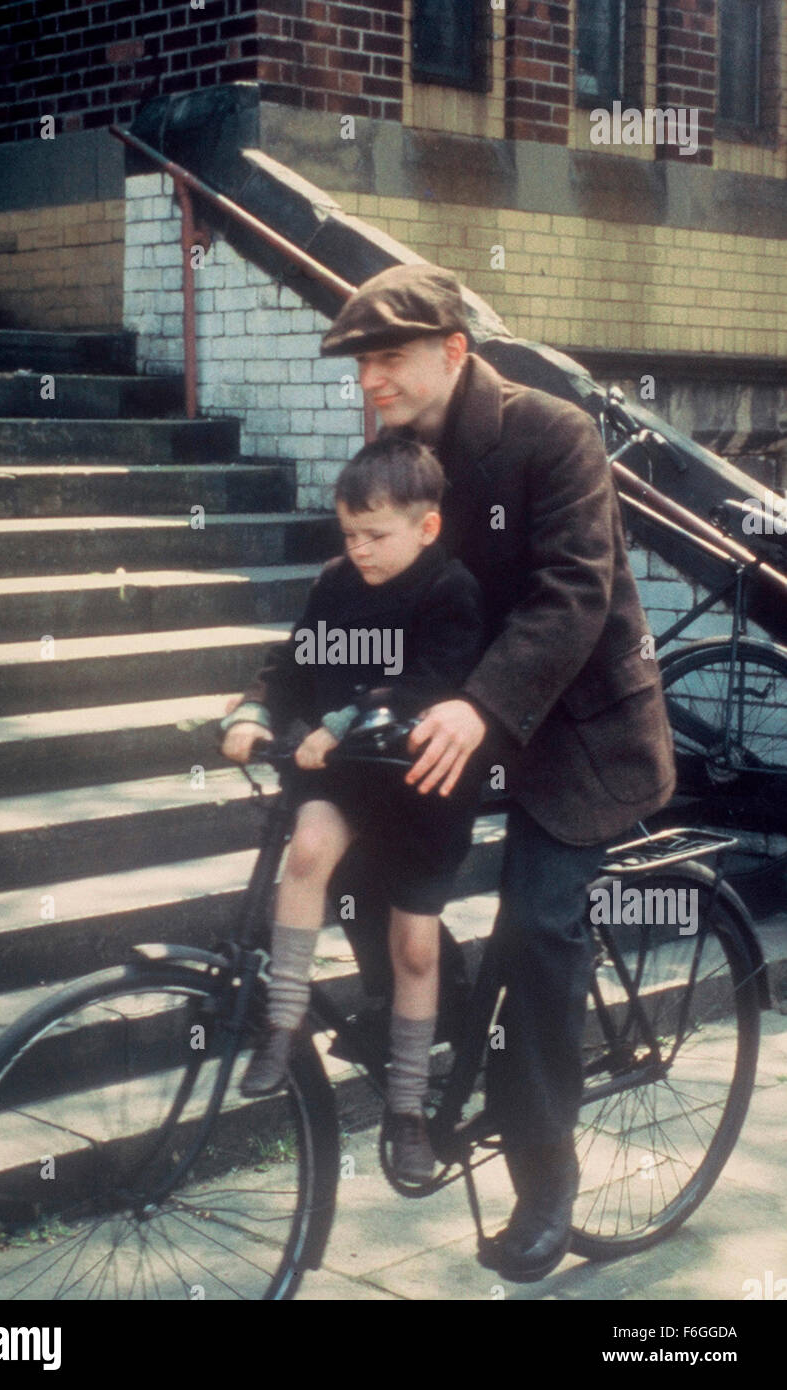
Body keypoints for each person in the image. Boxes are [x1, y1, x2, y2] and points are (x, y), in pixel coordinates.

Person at [316, 263, 677, 1282]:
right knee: (357, 847)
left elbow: (573, 591)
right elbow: (366, 585)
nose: (371, 380)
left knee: (539, 933)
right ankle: (435, 1025)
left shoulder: (551, 432)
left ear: (455, 351)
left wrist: (478, 704)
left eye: (388, 357)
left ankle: (546, 1180)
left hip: (574, 726)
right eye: (361, 363)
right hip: (457, 708)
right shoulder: (392, 457)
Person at [219, 434, 488, 1182]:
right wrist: (253, 711)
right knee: (306, 850)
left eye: (376, 535)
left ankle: (406, 1110)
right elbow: (295, 663)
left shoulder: (449, 590)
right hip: (343, 779)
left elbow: (427, 683)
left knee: (413, 946)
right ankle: (282, 1022)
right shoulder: (338, 583)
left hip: (421, 786)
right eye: (348, 534)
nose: (360, 549)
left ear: (426, 527)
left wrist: (339, 725)